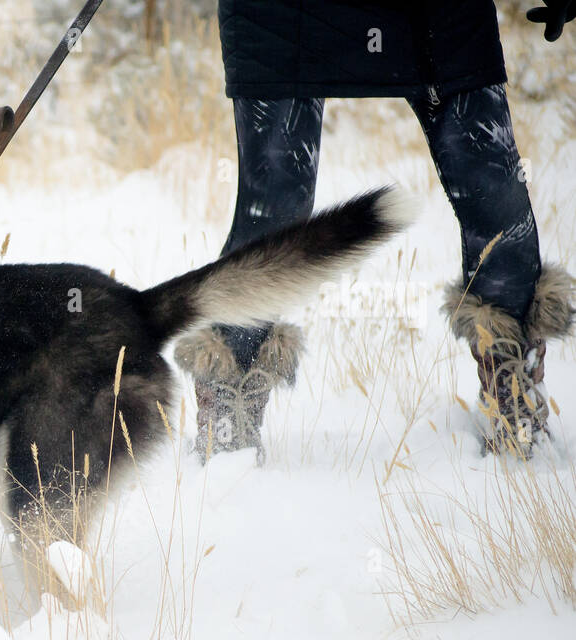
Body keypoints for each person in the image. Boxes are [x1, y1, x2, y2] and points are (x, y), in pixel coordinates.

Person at [173, 0, 576, 461]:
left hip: (439, 13)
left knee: (493, 192)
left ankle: (514, 400)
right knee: (274, 212)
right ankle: (228, 421)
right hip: (282, 10)